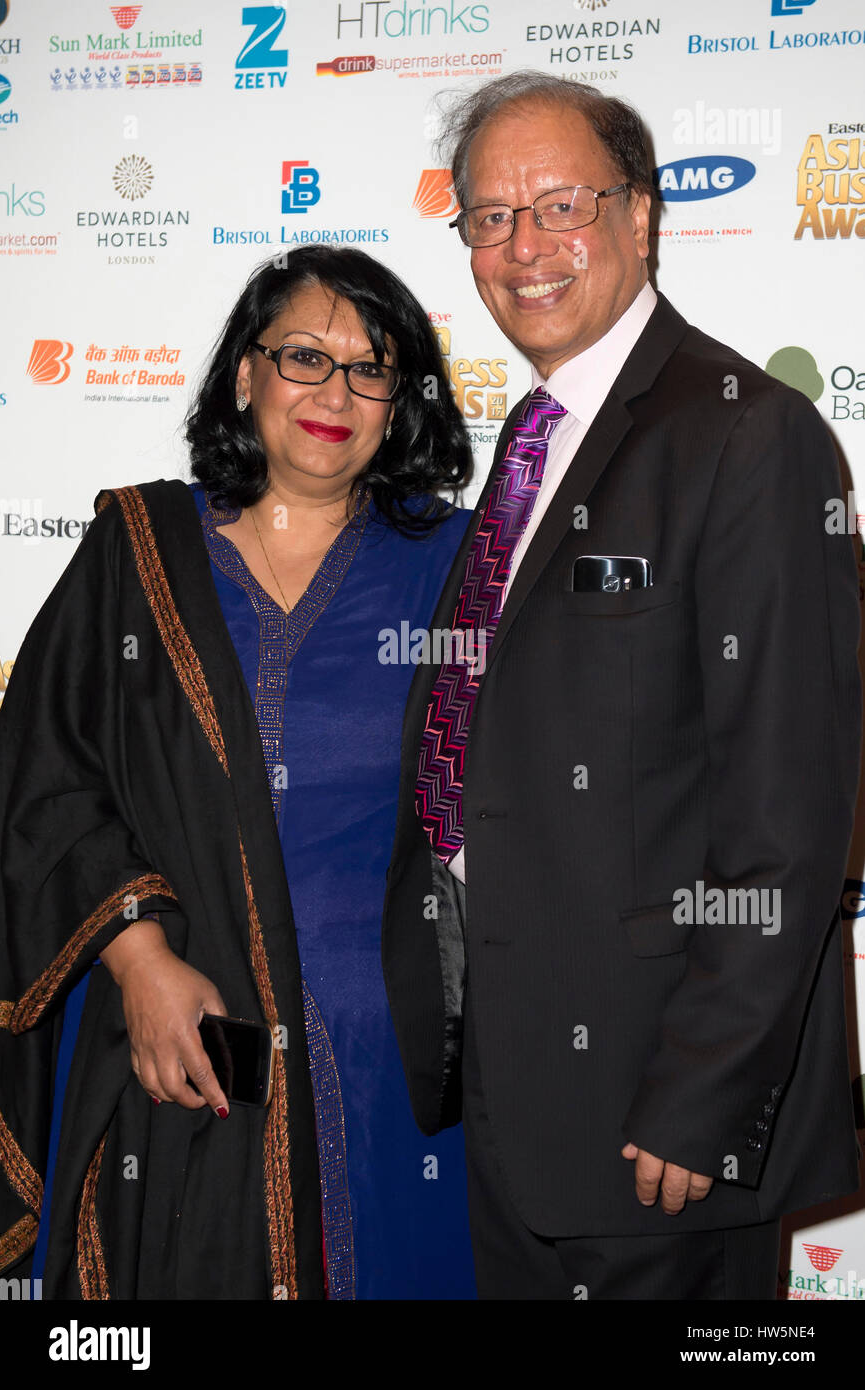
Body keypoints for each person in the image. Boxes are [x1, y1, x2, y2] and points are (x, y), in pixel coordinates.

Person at [382, 72, 862, 1300]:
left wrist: (702, 1095)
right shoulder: (530, 446)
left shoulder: (748, 435)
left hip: (661, 1127)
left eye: (558, 204)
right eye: (488, 216)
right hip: (513, 1094)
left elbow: (789, 815)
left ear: (640, 216)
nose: (521, 246)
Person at [0, 245, 477, 1299]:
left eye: (371, 368)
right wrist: (138, 962)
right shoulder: (137, 553)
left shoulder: (451, 566)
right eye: (303, 355)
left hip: (384, 1055)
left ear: (398, 404)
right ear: (243, 376)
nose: (334, 392)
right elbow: (41, 781)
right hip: (172, 1040)